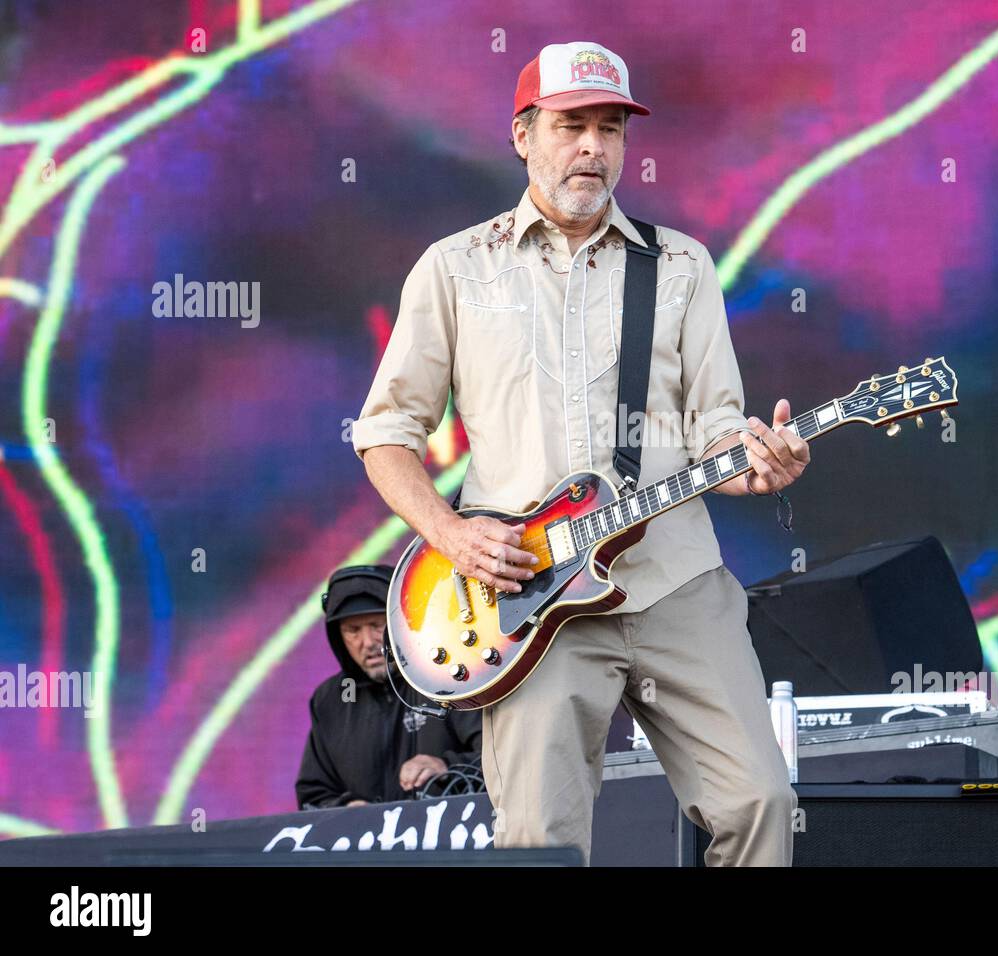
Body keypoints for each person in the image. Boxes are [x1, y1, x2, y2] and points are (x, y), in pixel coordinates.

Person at [350, 41, 809, 865]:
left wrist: (760, 462)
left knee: (761, 803)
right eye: (571, 126)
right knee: (541, 843)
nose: (593, 146)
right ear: (523, 134)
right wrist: (453, 537)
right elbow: (386, 434)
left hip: (676, 581)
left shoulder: (679, 267)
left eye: (610, 128)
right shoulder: (457, 269)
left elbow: (718, 433)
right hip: (529, 598)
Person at [295, 564, 482, 809]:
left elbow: (505, 763)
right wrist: (345, 809)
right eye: (352, 630)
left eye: (376, 625)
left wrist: (446, 767)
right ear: (337, 636)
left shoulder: (450, 674)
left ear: (402, 621)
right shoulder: (329, 700)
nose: (368, 642)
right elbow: (313, 796)